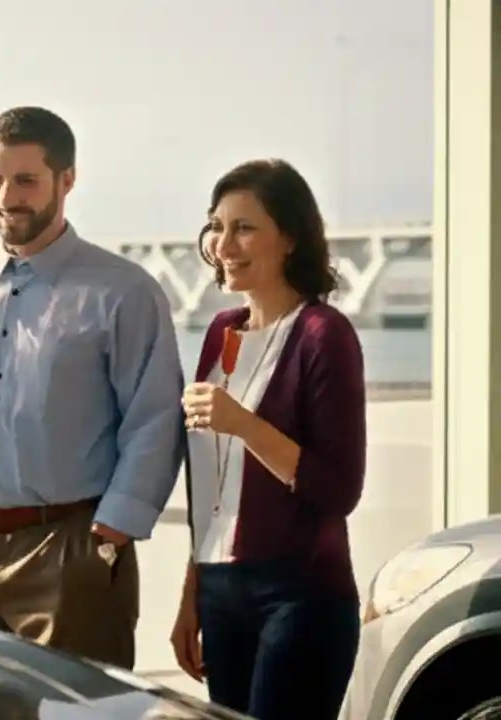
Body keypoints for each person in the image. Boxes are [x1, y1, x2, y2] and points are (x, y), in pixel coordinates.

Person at [0, 105, 186, 670]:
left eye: (26, 180)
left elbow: (153, 418)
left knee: (76, 714)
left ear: (67, 181)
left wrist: (111, 533)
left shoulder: (122, 291)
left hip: (70, 553)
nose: (7, 197)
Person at [170, 158, 366, 719]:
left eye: (244, 227)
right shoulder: (219, 332)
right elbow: (212, 485)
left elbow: (339, 489)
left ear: (290, 238)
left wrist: (245, 424)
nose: (223, 244)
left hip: (299, 595)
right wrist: (192, 595)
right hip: (219, 591)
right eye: (217, 227)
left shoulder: (323, 335)